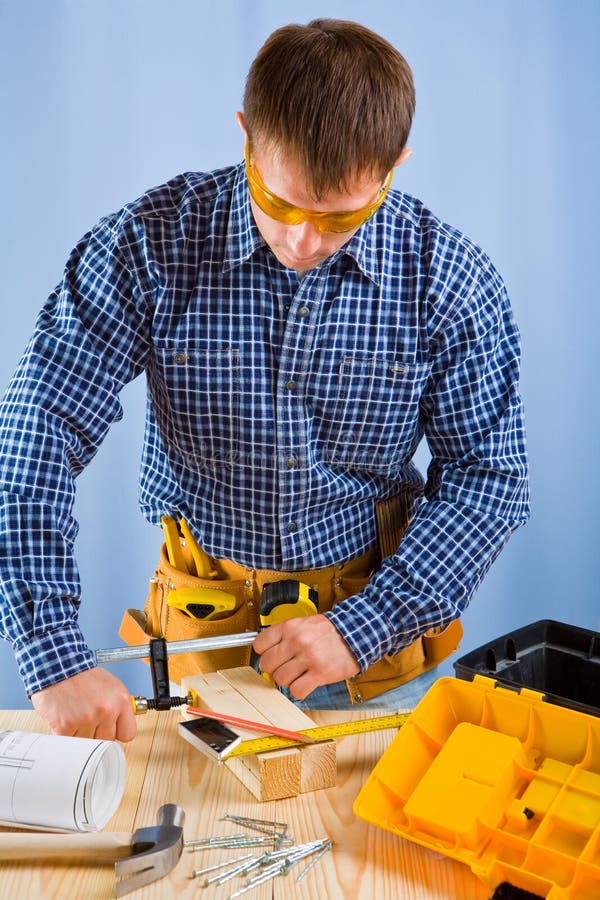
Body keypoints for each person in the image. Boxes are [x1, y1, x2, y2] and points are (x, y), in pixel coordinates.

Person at [0, 19, 529, 742]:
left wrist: (363, 625)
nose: (303, 242)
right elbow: (39, 423)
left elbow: (490, 478)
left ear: (393, 165)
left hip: (377, 657)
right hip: (202, 655)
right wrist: (52, 651)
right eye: (279, 204)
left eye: (342, 215)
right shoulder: (148, 246)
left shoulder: (450, 279)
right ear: (246, 134)